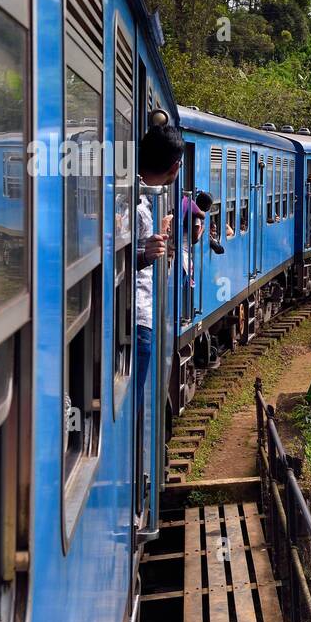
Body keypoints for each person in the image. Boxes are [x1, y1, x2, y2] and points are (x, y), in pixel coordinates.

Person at [135, 124, 184, 414]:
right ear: (175, 166)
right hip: (138, 320)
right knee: (136, 405)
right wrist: (145, 255)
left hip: (137, 317)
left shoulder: (137, 197)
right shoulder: (138, 206)